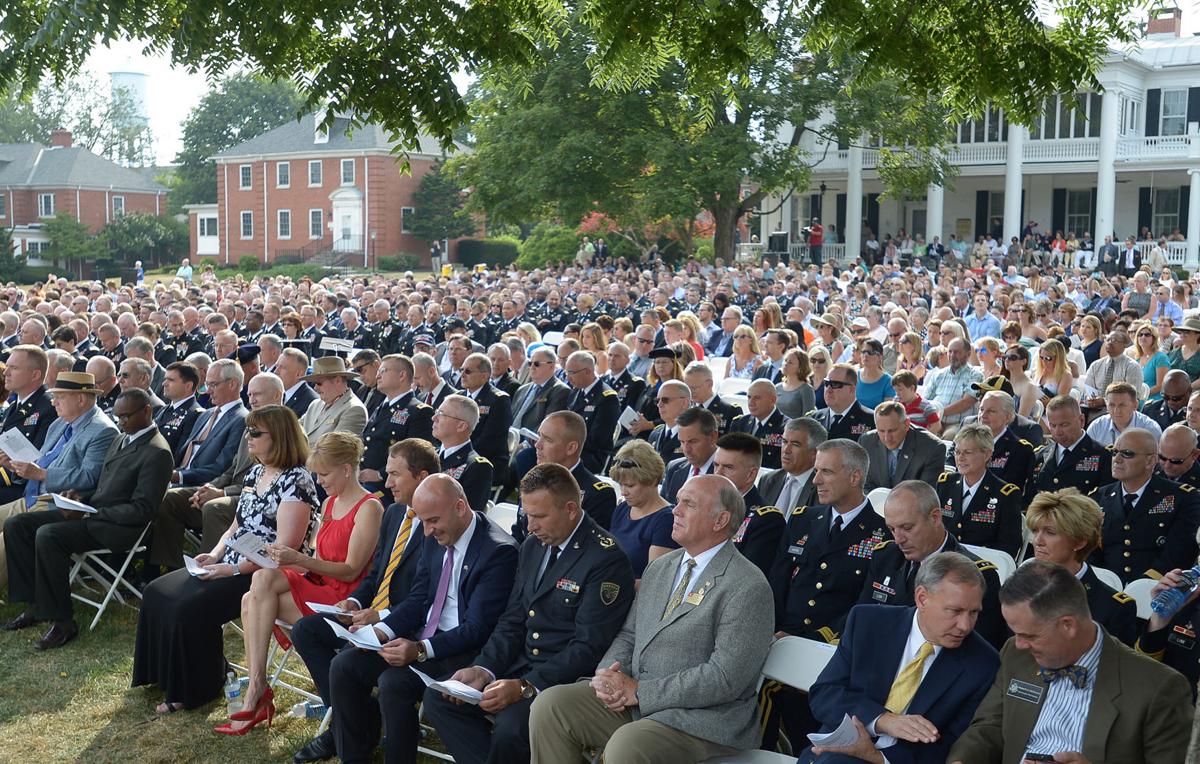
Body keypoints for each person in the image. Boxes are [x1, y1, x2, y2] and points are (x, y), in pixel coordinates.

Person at [527, 474, 775, 763]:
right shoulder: (661, 567)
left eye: (689, 504)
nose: (675, 510)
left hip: (700, 720)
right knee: (550, 706)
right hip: (637, 703)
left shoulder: (747, 585)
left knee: (628, 745)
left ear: (720, 521)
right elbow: (630, 634)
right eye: (678, 500)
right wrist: (607, 675)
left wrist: (643, 692)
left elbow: (725, 678)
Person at [422, 463, 636, 764]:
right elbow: (514, 618)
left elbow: (588, 646)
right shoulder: (534, 546)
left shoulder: (604, 559)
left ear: (571, 509)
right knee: (441, 699)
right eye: (527, 515)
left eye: (539, 516)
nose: (530, 526)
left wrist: (526, 687)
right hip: (519, 666)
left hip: (561, 683)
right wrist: (484, 669)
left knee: (511, 727)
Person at [132, 405, 319, 713]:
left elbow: (283, 549)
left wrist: (230, 568)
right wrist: (215, 554)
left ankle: (201, 687)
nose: (249, 438)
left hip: (265, 573)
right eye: (248, 431)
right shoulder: (257, 472)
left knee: (188, 607)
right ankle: (161, 675)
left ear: (281, 437)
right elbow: (237, 525)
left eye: (256, 433)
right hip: (233, 561)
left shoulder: (296, 481)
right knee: (156, 591)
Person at [325, 474, 518, 764]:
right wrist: (380, 631)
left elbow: (477, 628)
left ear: (460, 507)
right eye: (423, 521)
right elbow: (418, 600)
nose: (426, 531)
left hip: (461, 651)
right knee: (345, 665)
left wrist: (419, 650)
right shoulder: (435, 535)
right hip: (422, 635)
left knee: (394, 684)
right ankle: (353, 757)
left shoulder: (497, 551)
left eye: (433, 521)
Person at [217, 432, 384, 735]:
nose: (318, 481)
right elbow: (320, 560)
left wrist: (300, 559)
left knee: (252, 598)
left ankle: (258, 691)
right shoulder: (332, 502)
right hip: (320, 584)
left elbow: (350, 571)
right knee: (260, 580)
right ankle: (258, 684)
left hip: (346, 598)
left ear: (347, 468)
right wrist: (284, 558)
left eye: (324, 473)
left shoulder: (369, 507)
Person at [948, 560, 1192, 764]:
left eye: (1029, 635)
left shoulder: (1158, 688)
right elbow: (989, 726)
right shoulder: (1017, 654)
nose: (1019, 643)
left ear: (1068, 625)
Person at [289, 439, 440, 764]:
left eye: (395, 475)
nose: (387, 483)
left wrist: (380, 616)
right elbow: (375, 573)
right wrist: (355, 603)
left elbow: (425, 598)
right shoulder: (397, 513)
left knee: (346, 662)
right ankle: (352, 717)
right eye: (387, 474)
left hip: (405, 624)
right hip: (370, 612)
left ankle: (346, 734)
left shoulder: (436, 525)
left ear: (421, 476)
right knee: (305, 631)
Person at [2, 389, 173, 649]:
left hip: (117, 527)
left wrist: (91, 511)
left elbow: (141, 511)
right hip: (94, 514)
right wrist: (79, 497)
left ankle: (63, 622)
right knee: (18, 525)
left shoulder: (157, 452)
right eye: (118, 417)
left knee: (49, 536)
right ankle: (35, 604)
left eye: (127, 416)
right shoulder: (123, 438)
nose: (121, 422)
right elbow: (103, 484)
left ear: (147, 411)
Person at [800, 553, 1000, 764]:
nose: (965, 625)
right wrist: (882, 720)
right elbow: (825, 694)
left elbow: (953, 745)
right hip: (836, 754)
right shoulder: (868, 623)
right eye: (955, 611)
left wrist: (878, 757)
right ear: (922, 598)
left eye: (974, 613)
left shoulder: (983, 664)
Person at [763, 437, 889, 748]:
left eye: (826, 472)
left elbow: (868, 605)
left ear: (854, 477)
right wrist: (770, 629)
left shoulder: (882, 534)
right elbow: (778, 581)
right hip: (782, 635)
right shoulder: (805, 519)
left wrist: (818, 639)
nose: (816, 480)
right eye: (816, 471)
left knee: (778, 694)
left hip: (834, 645)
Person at [145, 372, 281, 576]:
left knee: (215, 507)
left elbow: (268, 482)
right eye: (250, 394)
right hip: (233, 489)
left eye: (257, 395)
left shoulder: (282, 431)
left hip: (255, 500)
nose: (251, 400)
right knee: (171, 499)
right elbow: (230, 470)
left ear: (277, 396)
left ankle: (209, 568)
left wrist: (222, 493)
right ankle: (167, 567)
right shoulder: (253, 427)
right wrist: (209, 488)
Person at [0, 370, 119, 590]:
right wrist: (15, 465)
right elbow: (41, 462)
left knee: (5, 537)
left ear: (81, 398)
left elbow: (90, 477)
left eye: (60, 396)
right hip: (33, 496)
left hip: (59, 503)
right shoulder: (60, 424)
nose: (53, 402)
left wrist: (41, 474)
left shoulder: (103, 431)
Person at [853, 480, 1005, 648]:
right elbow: (863, 620)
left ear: (935, 517)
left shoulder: (977, 575)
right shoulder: (885, 556)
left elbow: (979, 651)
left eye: (907, 528)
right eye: (892, 529)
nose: (898, 539)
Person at [1025, 489, 1137, 646]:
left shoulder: (1113, 608)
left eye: (1050, 532)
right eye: (1035, 531)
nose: (1037, 540)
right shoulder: (1020, 587)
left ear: (1079, 542)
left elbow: (1113, 667)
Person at [1092, 427, 1200, 585]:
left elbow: (1178, 553)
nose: (1117, 459)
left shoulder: (1182, 498)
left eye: (1127, 454)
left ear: (1150, 461)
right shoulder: (1099, 497)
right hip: (1108, 589)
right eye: (1115, 452)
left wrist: (1141, 586)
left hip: (1157, 588)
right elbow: (1090, 551)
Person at [512, 410, 618, 540]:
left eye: (547, 439)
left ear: (571, 448)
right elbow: (518, 534)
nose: (538, 445)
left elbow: (584, 549)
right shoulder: (535, 479)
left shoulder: (597, 495)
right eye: (539, 436)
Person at [935, 424, 1024, 557]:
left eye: (968, 452)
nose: (960, 458)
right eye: (958, 452)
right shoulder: (945, 484)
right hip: (944, 561)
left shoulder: (1005, 494)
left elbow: (1009, 545)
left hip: (983, 565)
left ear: (987, 454)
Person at [711, 431, 783, 577]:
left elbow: (747, 576)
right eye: (716, 465)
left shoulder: (766, 520)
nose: (718, 473)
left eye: (728, 467)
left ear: (751, 474)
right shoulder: (706, 505)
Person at [170, 358, 249, 486]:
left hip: (199, 486)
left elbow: (221, 467)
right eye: (207, 384)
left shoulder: (241, 419)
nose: (208, 391)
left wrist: (179, 477)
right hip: (178, 478)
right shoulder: (206, 414)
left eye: (213, 384)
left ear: (232, 384)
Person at [0, 345, 58, 504]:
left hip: (23, 488)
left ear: (35, 375)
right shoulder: (15, 406)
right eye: (7, 367)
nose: (6, 373)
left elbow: (39, 461)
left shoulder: (49, 408)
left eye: (14, 368)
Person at [1033, 395, 1112, 497]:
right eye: (1053, 425)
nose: (1058, 432)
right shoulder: (1040, 456)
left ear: (1081, 421)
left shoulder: (1104, 456)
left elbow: (1106, 500)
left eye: (1064, 425)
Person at [861, 401, 946, 491]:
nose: (887, 438)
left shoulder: (932, 448)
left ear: (906, 424)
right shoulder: (866, 441)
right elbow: (863, 485)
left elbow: (926, 494)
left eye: (892, 430)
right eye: (881, 431)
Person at [432, 394, 494, 513]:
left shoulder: (478, 467)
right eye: (436, 412)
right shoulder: (430, 455)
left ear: (461, 426)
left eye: (441, 414)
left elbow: (465, 515)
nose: (434, 417)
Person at [563, 350, 620, 473]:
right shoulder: (575, 391)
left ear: (588, 371)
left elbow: (597, 440)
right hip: (570, 449)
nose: (568, 377)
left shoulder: (607, 398)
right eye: (566, 372)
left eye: (571, 373)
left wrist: (565, 444)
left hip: (590, 456)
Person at [758, 417, 826, 519]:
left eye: (795, 444)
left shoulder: (823, 488)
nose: (786, 450)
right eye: (784, 442)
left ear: (815, 453)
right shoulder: (767, 480)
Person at [300, 355, 369, 443]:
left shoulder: (354, 409)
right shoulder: (315, 405)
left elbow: (336, 450)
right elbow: (295, 430)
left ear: (338, 380)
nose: (315, 388)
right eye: (314, 383)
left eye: (319, 383)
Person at [660, 406, 719, 504]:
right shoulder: (673, 468)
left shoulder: (725, 473)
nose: (686, 449)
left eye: (693, 441)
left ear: (713, 437)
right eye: (682, 442)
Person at [728, 379, 788, 469]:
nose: (751, 403)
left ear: (773, 400)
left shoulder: (786, 428)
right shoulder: (740, 423)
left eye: (757, 398)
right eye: (749, 397)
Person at [153, 360, 204, 463]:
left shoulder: (196, 414)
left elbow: (180, 455)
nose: (164, 383)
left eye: (171, 380)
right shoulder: (163, 410)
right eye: (165, 379)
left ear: (188, 386)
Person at [810, 363, 875, 441]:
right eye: (826, 383)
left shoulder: (871, 419)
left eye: (835, 384)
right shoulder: (815, 419)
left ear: (851, 389)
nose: (828, 390)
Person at [1085, 381, 1162, 446]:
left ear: (1135, 405)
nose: (1116, 410)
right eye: (1112, 405)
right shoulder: (1096, 427)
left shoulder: (1150, 429)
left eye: (1122, 405)